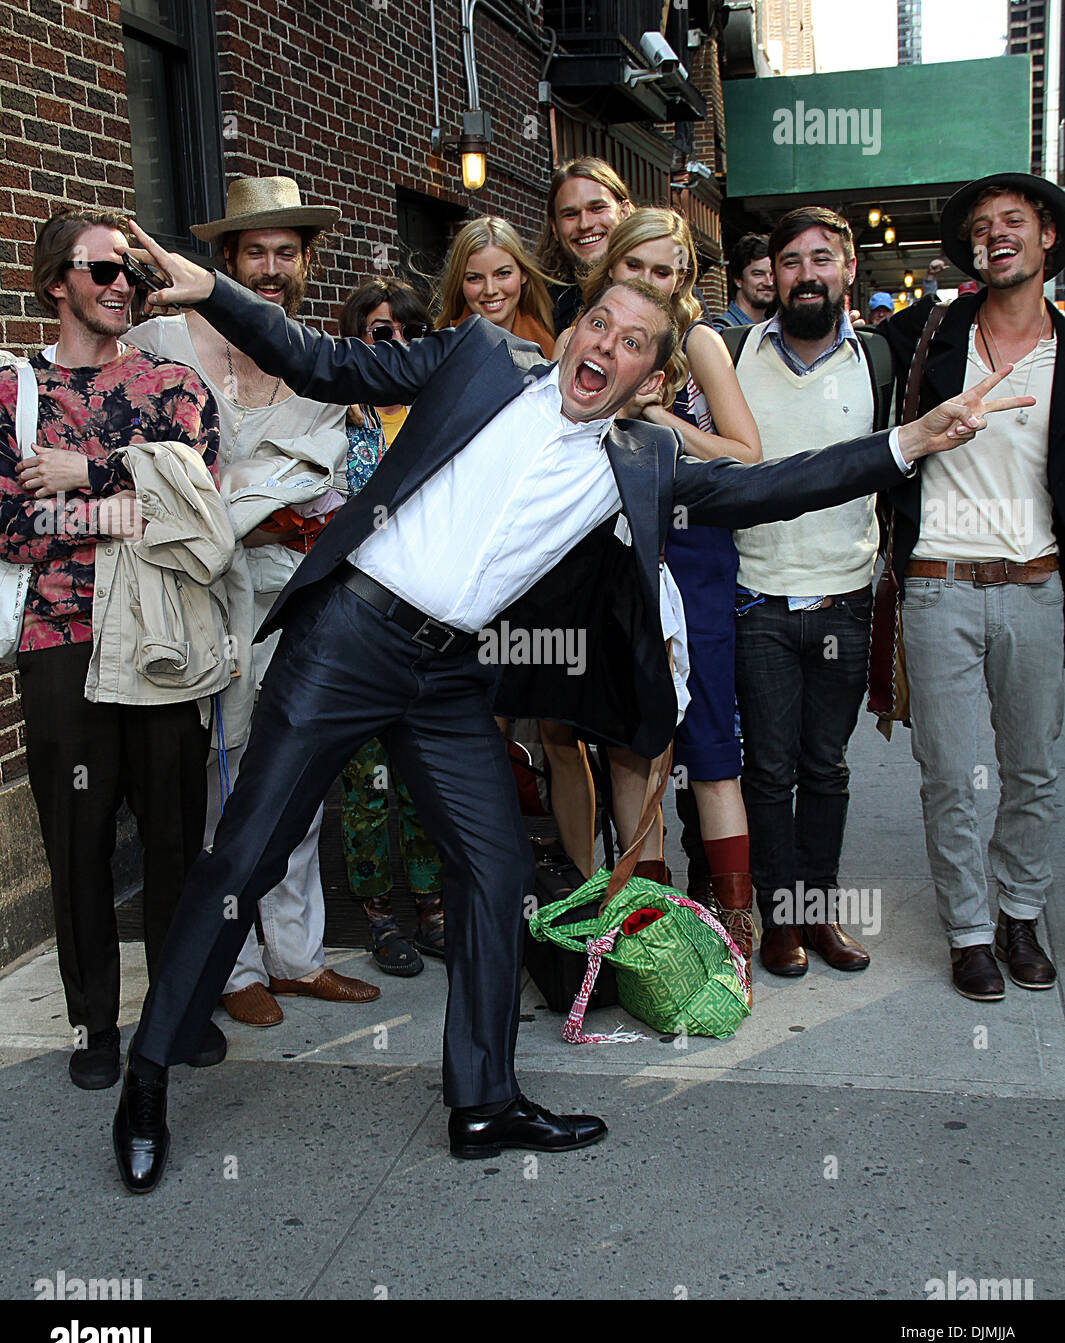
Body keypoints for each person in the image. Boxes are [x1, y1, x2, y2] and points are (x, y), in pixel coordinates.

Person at [110, 217, 1030, 1192]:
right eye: (600, 323)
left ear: (648, 380)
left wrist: (910, 441)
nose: (607, 347)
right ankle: (149, 1075)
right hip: (348, 635)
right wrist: (209, 288)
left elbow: (776, 485)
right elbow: (323, 359)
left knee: (498, 865)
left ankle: (482, 1100)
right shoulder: (479, 360)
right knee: (243, 857)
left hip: (450, 673)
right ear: (574, 326)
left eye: (634, 344)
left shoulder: (641, 460)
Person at [126, 176, 380, 1026]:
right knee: (224, 772)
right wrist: (252, 499)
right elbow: (154, 473)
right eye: (254, 253)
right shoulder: (162, 339)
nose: (269, 269)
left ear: (303, 263)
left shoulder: (314, 356)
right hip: (192, 591)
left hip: (291, 591)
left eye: (285, 254)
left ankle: (298, 954)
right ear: (224, 258)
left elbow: (324, 483)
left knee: (295, 761)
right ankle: (232, 966)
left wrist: (247, 497)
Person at [0, 208, 227, 1088]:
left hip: (161, 635)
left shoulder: (174, 383)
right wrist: (126, 501)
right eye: (100, 269)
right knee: (78, 836)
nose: (120, 283)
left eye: (130, 269)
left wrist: (83, 478)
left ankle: (171, 1013)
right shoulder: (15, 397)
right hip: (60, 641)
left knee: (174, 836)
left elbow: (194, 510)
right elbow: (11, 528)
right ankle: (96, 1022)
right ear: (57, 281)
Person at [551, 209, 762, 966]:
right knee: (629, 745)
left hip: (694, 553)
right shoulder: (584, 336)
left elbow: (745, 454)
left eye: (664, 270)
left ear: (684, 281)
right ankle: (648, 935)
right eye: (633, 266)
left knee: (707, 743)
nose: (647, 280)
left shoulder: (697, 342)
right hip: (611, 553)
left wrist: (661, 418)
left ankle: (736, 927)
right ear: (610, 268)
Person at [878, 172, 1065, 1001]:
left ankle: (1020, 910)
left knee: (1033, 769)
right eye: (982, 226)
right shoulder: (927, 333)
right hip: (938, 584)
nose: (996, 234)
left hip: (1037, 584)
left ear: (1045, 238)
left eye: (1012, 221)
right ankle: (970, 930)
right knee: (951, 772)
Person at [721, 207, 898, 979]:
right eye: (790, 261)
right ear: (773, 274)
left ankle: (816, 915)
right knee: (767, 772)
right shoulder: (730, 356)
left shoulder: (882, 363)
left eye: (821, 258)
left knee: (824, 769)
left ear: (848, 270)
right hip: (756, 598)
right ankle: (777, 925)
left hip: (844, 601)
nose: (805, 273)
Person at [336, 277, 446, 976]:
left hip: (433, 624)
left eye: (407, 329)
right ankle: (378, 917)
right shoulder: (336, 419)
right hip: (355, 623)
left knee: (424, 774)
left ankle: (433, 907)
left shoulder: (445, 412)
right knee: (365, 782)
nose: (394, 342)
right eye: (379, 331)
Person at [534, 157, 633, 335]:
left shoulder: (662, 283)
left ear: (624, 212)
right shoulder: (540, 306)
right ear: (555, 228)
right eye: (570, 214)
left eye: (597, 208)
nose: (584, 224)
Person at [434, 216, 555, 353]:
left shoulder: (548, 349)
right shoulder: (438, 350)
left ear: (523, 274)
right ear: (459, 282)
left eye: (503, 274)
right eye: (474, 278)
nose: (490, 290)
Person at [712, 233, 775, 331]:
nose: (769, 282)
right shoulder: (721, 332)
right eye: (758, 274)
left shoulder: (772, 331)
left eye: (772, 274)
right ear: (738, 279)